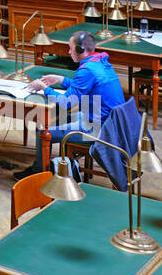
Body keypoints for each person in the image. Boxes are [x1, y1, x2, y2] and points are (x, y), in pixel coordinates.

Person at [15, 31, 125, 181]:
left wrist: (44, 88)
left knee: (44, 131)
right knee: (59, 118)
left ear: (81, 49)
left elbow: (65, 102)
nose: (68, 51)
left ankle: (38, 172)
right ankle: (65, 165)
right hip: (108, 123)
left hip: (97, 128)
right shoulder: (100, 62)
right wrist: (61, 79)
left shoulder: (87, 70)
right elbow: (83, 87)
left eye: (70, 48)